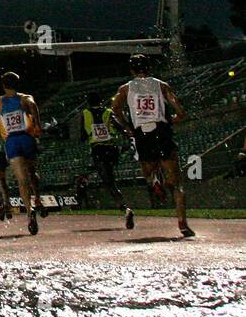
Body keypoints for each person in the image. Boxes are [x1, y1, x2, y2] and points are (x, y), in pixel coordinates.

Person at [111, 54, 194, 238]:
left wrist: (127, 126)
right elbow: (180, 111)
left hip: (142, 133)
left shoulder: (125, 89)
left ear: (132, 70)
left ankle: (154, 180)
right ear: (149, 68)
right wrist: (172, 119)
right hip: (161, 131)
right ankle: (182, 223)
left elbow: (115, 109)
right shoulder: (162, 85)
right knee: (177, 183)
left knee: (148, 170)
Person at [0, 72, 47, 234]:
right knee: (32, 172)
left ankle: (29, 211)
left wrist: (2, 123)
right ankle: (38, 199)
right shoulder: (26, 99)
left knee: (21, 180)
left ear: (3, 85)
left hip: (12, 142)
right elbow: (34, 110)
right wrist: (37, 125)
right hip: (27, 138)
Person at [81, 95, 134, 229]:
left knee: (108, 181)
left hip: (97, 148)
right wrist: (127, 136)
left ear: (88, 103)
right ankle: (123, 207)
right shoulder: (108, 112)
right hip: (111, 148)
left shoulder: (85, 113)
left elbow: (82, 135)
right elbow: (119, 127)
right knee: (110, 178)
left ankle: (124, 207)